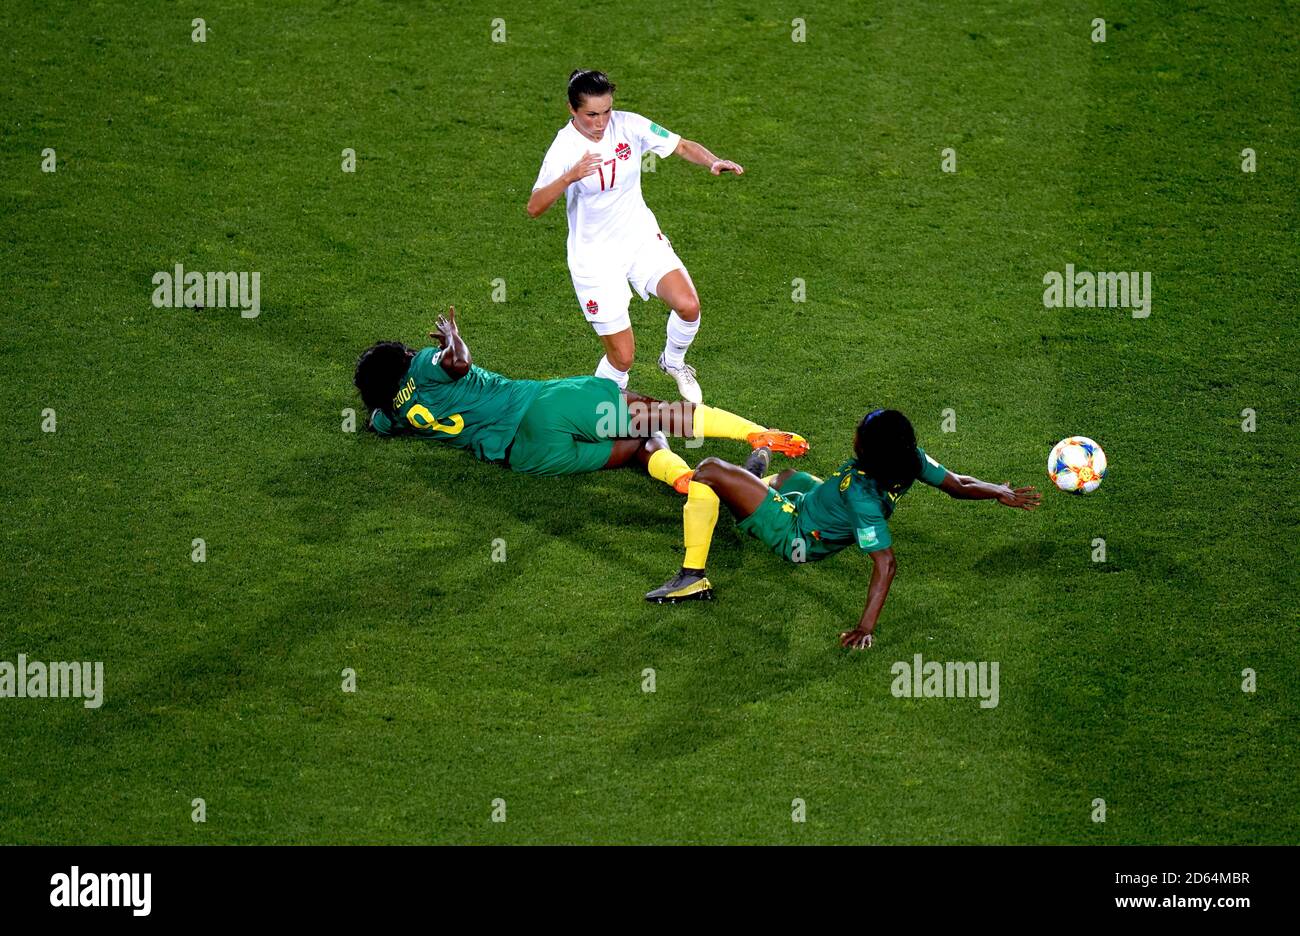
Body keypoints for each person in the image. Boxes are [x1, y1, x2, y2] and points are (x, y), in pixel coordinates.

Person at [645, 410, 1042, 649]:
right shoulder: (909, 458)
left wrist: (865, 627)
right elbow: (958, 485)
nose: (854, 434)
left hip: (796, 532)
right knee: (789, 476)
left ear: (867, 452)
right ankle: (746, 483)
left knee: (710, 468)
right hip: (813, 496)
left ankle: (691, 577)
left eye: (860, 434)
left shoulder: (864, 499)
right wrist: (998, 491)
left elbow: (885, 563)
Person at [353, 307, 807, 489]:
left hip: (526, 455)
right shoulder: (424, 364)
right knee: (655, 414)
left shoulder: (394, 415)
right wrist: (453, 338)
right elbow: (458, 365)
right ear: (406, 357)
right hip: (542, 405)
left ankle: (689, 483)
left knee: (635, 450)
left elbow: (377, 419)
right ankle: (754, 434)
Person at [526, 69, 745, 406]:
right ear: (572, 109)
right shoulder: (564, 148)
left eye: (606, 111)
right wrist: (570, 176)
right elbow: (535, 207)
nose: (601, 123)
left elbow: (681, 145)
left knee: (689, 305)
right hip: (595, 259)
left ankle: (673, 361)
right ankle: (599, 409)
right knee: (623, 358)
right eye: (591, 115)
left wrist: (714, 162)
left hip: (639, 237)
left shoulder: (628, 125)